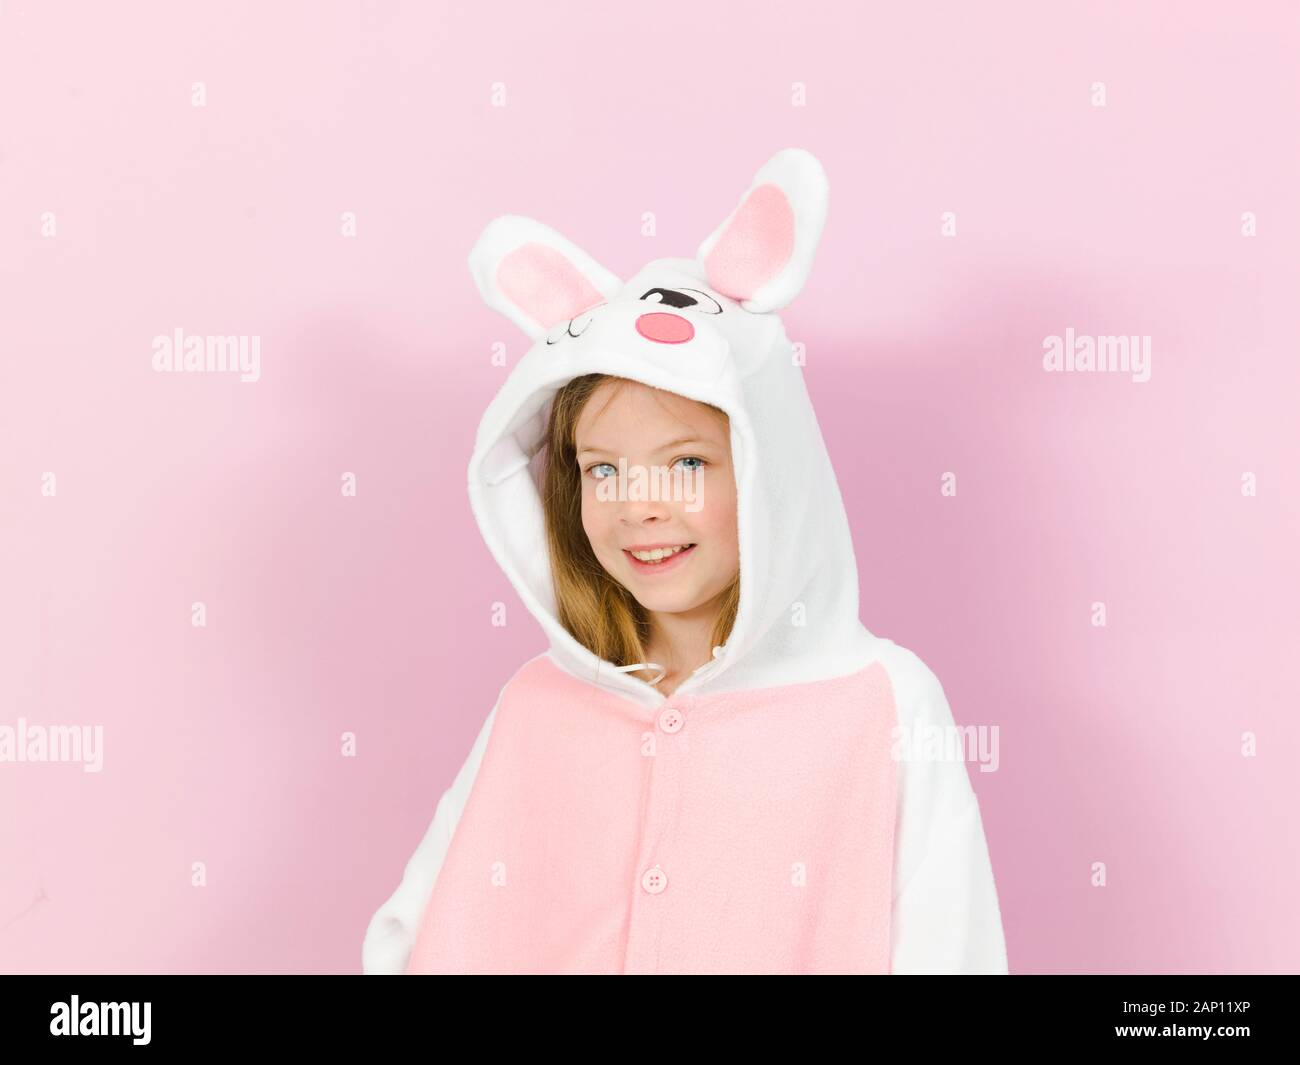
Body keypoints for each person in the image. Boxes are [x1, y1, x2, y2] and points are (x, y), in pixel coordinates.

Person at [362, 148, 1008, 974]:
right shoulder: (538, 702)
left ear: (767, 466)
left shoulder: (884, 703)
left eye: (688, 463)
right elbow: (415, 934)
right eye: (604, 469)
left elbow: (951, 949)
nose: (641, 504)